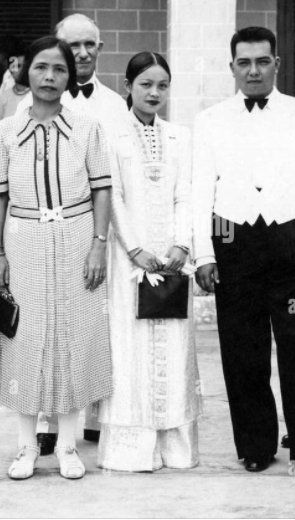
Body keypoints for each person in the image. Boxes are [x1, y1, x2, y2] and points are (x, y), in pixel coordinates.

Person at [193, 27, 295, 482]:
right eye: (244, 62)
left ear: (277, 63)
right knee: (243, 352)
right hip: (235, 244)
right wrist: (203, 254)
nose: (253, 70)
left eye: (262, 61)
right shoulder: (210, 119)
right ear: (232, 67)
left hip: (294, 242)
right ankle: (255, 445)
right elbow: (200, 191)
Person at [0, 36, 113, 481]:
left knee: (73, 337)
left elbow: (102, 188)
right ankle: (25, 447)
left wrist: (99, 242)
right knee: (25, 338)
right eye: (41, 68)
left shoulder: (88, 128)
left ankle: (67, 446)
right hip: (23, 239)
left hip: (77, 235)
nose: (49, 77)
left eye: (59, 69)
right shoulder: (4, 131)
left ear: (69, 76)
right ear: (27, 73)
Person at [16, 14, 126, 452]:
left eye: (89, 45)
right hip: (42, 233)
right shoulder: (21, 110)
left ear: (99, 48)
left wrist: (105, 239)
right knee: (43, 322)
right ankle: (44, 424)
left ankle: (93, 417)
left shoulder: (116, 104)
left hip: (99, 229)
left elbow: (114, 176)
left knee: (92, 323)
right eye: (72, 46)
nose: (81, 53)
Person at [97, 52, 202, 472]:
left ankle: (175, 447)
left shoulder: (181, 136)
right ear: (128, 87)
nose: (154, 92)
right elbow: (112, 195)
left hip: (174, 262)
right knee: (129, 347)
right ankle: (132, 449)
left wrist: (181, 244)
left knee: (174, 345)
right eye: (145, 84)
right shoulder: (110, 135)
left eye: (161, 85)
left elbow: (186, 194)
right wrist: (135, 247)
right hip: (129, 259)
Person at [0, 49, 29, 121]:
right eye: (18, 66)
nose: (22, 70)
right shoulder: (6, 95)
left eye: (25, 66)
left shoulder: (35, 95)